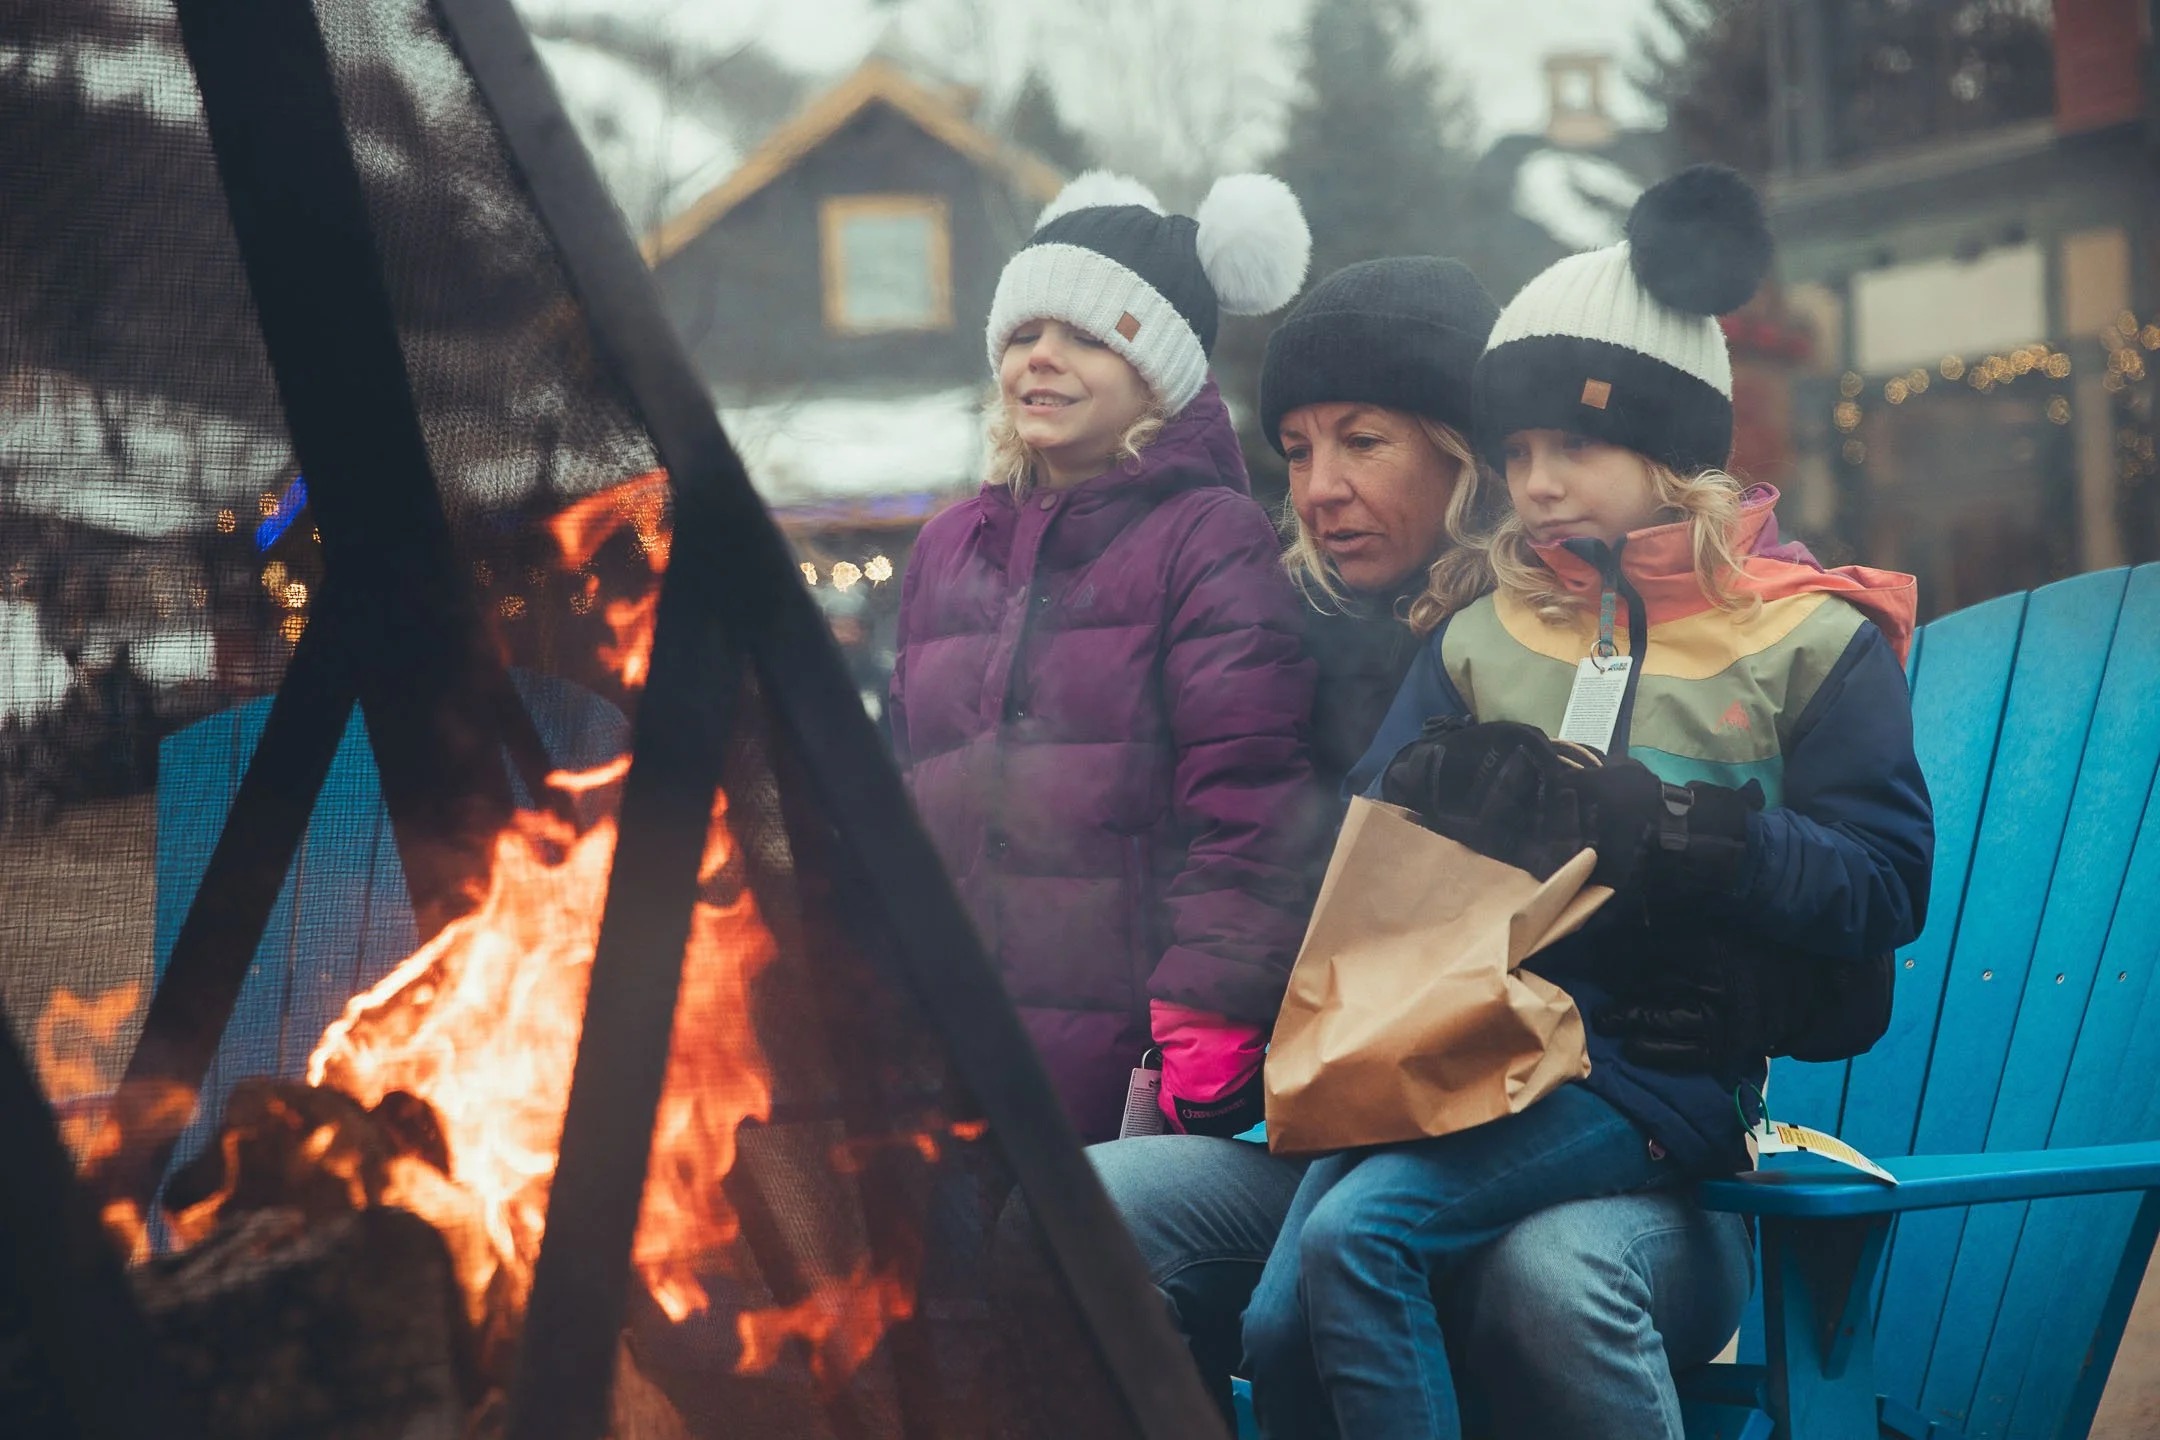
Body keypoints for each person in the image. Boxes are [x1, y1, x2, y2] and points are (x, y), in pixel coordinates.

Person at [991, 254, 1758, 1440]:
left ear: (1469, 452)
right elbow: (1258, 876)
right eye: (1295, 451)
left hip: (1579, 1136)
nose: (1319, 487)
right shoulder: (1285, 637)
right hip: (1361, 1125)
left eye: (1362, 442)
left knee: (1486, 1267)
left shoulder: (1562, 636)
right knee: (1077, 1209)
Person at [1242, 165, 1935, 1439]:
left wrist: (1701, 837)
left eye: (1578, 443)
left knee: (1363, 1240)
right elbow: (1363, 837)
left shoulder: (1802, 639)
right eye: (1517, 452)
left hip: (1644, 1074)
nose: (1541, 481)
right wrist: (1429, 796)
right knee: (1277, 1316)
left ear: (1674, 452)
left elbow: (1886, 879)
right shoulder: (1483, 634)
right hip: (1446, 1047)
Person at [888, 170, 1320, 1144]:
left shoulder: (1208, 538)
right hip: (952, 1041)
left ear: (1156, 373)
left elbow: (1250, 799)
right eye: (1024, 335)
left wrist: (1209, 1014)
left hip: (1127, 1056)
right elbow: (898, 782)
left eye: (1086, 336)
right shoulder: (948, 546)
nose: (1042, 359)